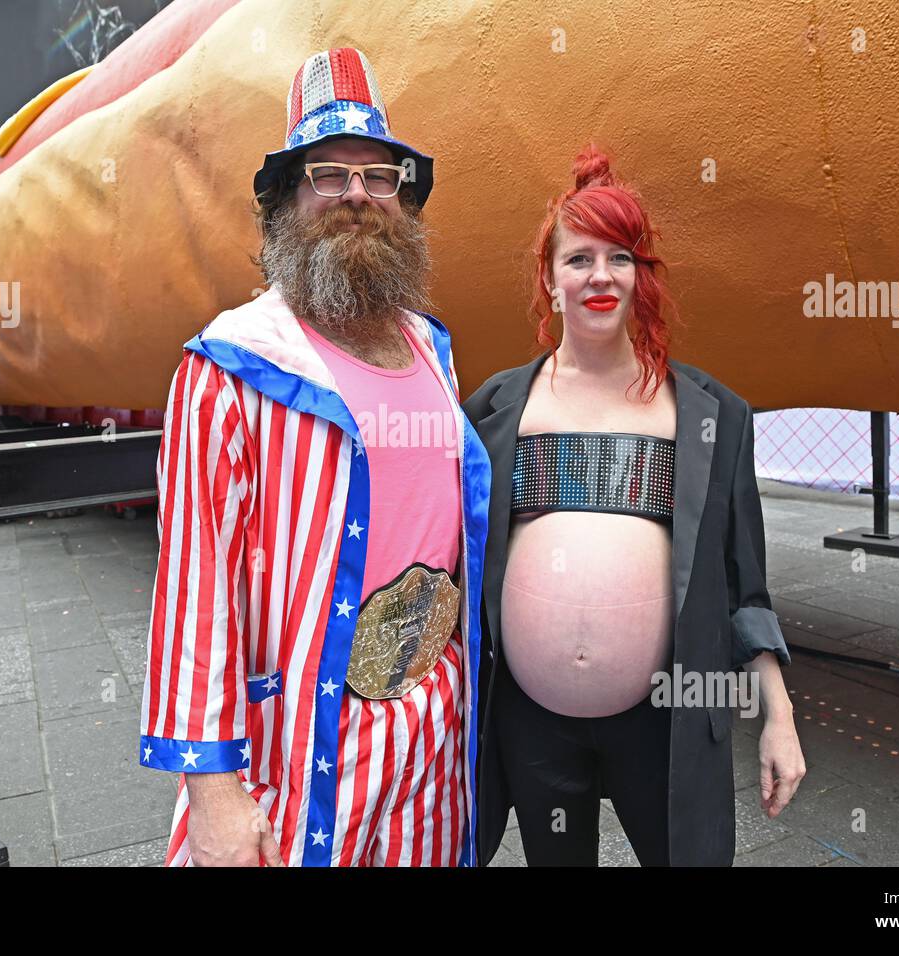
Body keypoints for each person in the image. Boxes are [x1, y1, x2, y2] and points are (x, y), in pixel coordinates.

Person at [140, 47, 490, 867]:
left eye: (381, 176)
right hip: (300, 744)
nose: (358, 194)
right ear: (285, 204)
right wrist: (213, 794)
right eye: (328, 174)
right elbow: (195, 586)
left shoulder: (430, 347)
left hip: (434, 737)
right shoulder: (228, 366)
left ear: (406, 201)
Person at [463, 145, 805, 867]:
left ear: (641, 277)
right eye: (578, 258)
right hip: (533, 726)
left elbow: (745, 583)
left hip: (669, 721)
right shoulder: (493, 410)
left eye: (620, 258)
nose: (599, 276)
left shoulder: (711, 414)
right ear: (549, 280)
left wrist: (779, 716)